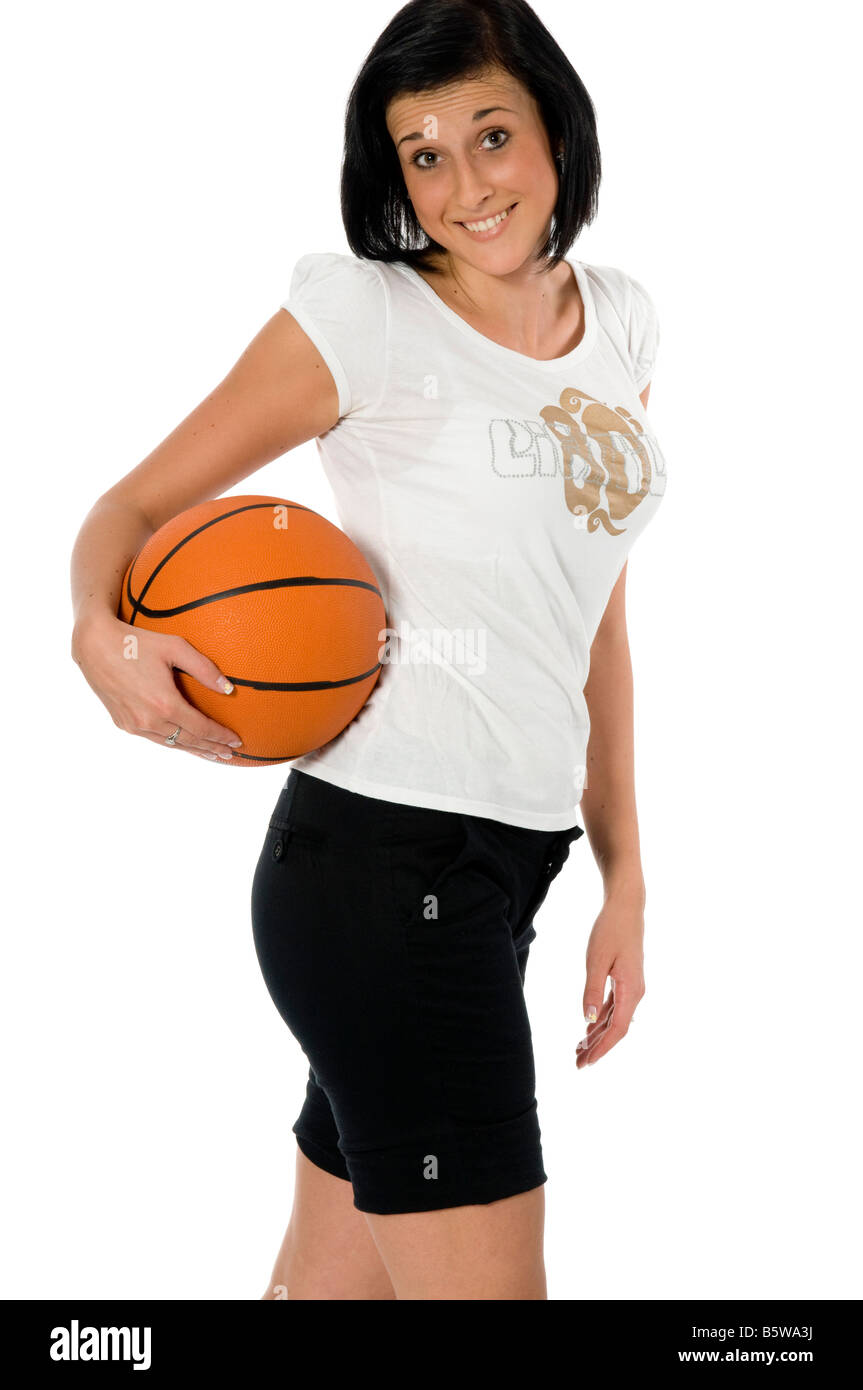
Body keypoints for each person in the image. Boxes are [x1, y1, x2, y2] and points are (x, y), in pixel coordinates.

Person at [70, 0, 667, 1301]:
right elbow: (125, 513)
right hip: (385, 868)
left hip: (501, 869)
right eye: (424, 154)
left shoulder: (621, 324)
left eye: (492, 134)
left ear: (557, 126)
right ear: (391, 174)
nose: (465, 184)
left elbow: (593, 612)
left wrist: (622, 869)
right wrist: (97, 635)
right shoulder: (369, 316)